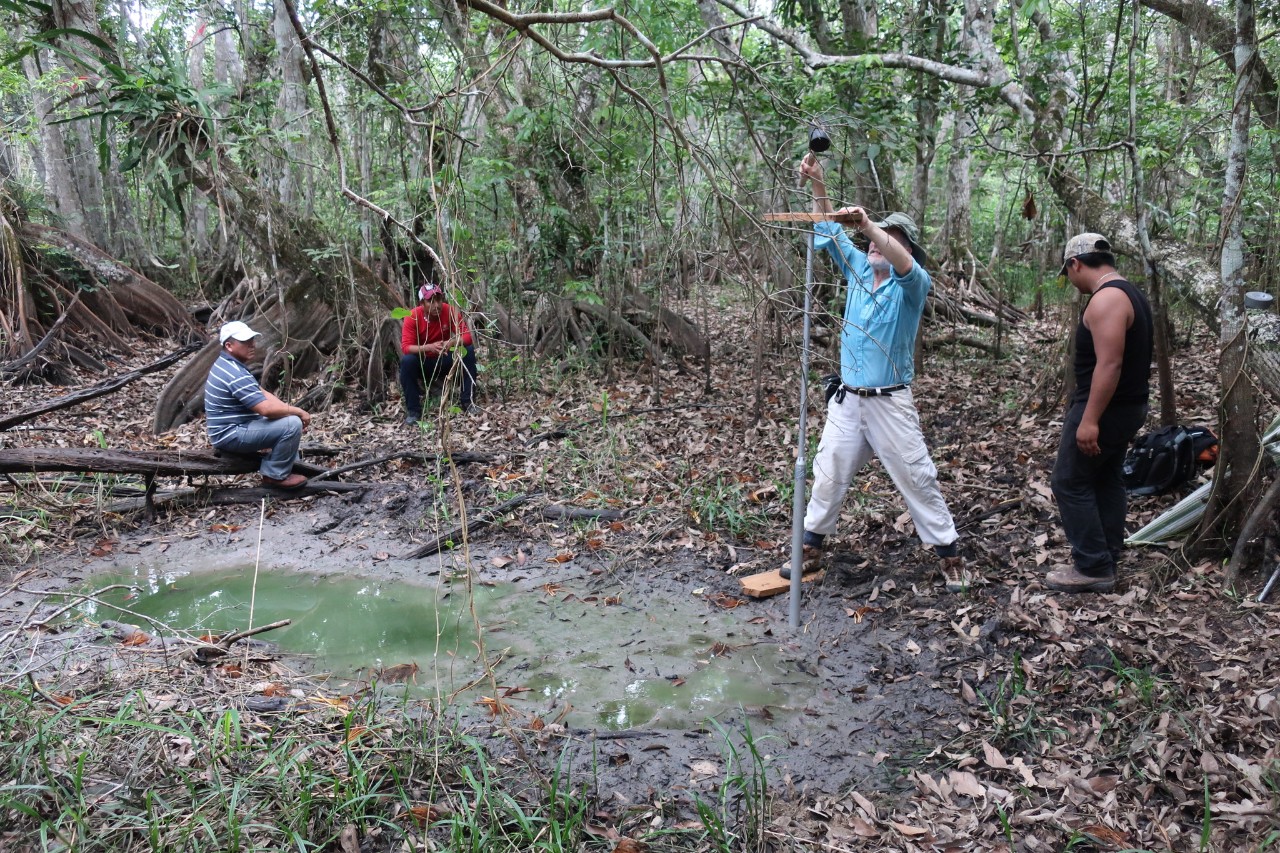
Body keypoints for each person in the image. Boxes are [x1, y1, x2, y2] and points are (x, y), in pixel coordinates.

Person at [788, 152, 969, 592]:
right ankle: (810, 549)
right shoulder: (857, 272)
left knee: (916, 476)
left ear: (906, 248)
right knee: (827, 471)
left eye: (890, 238)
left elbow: (902, 262)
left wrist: (870, 226)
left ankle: (950, 557)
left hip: (890, 402)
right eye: (873, 238)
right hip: (848, 400)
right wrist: (818, 185)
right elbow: (828, 229)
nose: (875, 244)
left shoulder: (913, 284)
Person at [1048, 233, 1153, 593]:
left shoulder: (1106, 299)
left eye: (1068, 273)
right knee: (1106, 475)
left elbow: (1110, 364)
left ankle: (1093, 567)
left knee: (1069, 481)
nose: (1071, 282)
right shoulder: (1130, 292)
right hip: (1126, 407)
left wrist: (1090, 420)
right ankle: (1106, 552)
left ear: (1076, 264)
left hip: (1107, 408)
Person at [204, 321, 312, 489]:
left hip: (234, 429)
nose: (252, 345)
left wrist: (288, 412)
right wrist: (298, 413)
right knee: (292, 425)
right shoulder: (234, 373)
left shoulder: (229, 364)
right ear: (229, 345)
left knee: (289, 421)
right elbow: (266, 410)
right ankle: (274, 475)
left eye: (251, 340)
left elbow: (260, 392)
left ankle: (289, 465)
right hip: (230, 434)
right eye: (245, 342)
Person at [399, 284, 477, 422]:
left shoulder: (450, 311)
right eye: (431, 301)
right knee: (407, 362)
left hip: (446, 359)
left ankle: (468, 402)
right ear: (422, 303)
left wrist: (452, 342)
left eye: (439, 299)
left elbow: (467, 337)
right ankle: (413, 411)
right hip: (425, 363)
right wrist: (428, 347)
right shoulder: (413, 316)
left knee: (468, 351)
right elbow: (406, 347)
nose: (437, 305)